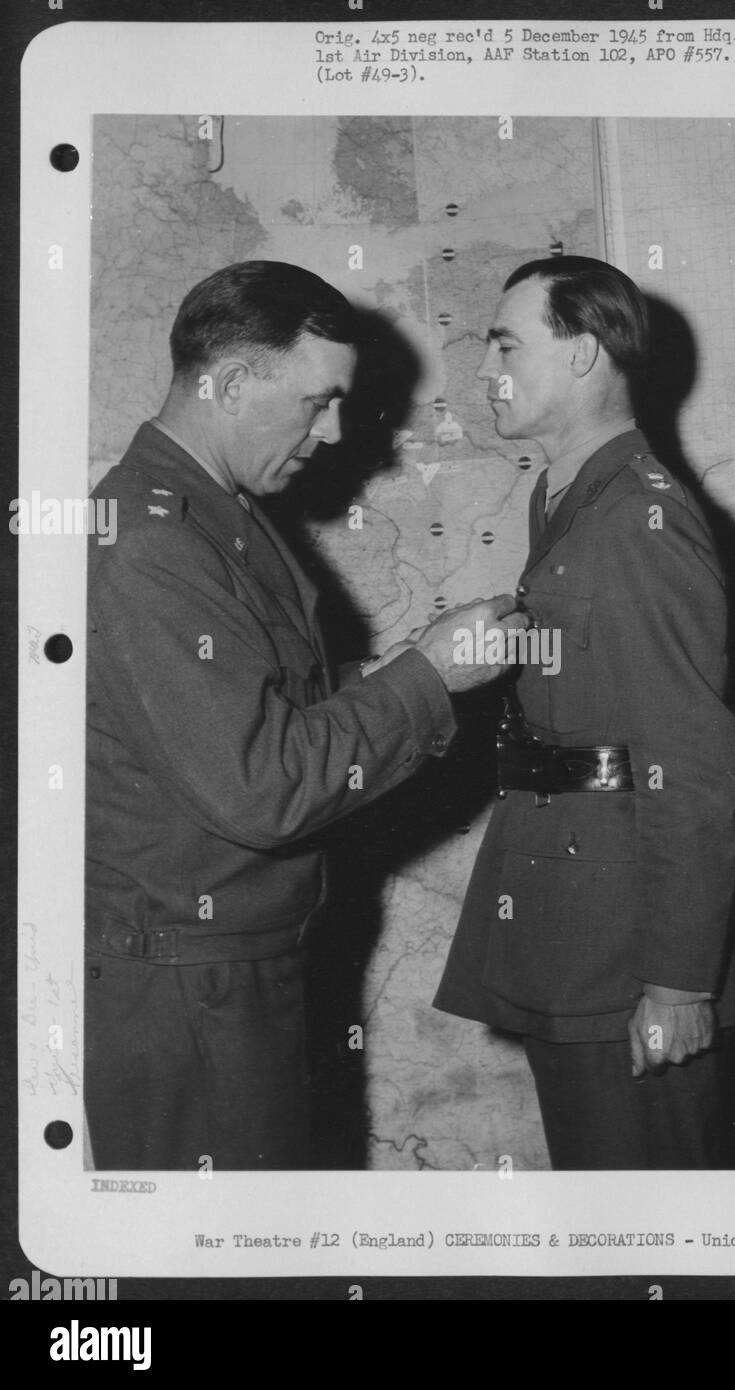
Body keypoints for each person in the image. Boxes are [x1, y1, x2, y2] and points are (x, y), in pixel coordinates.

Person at [85, 260, 523, 1170]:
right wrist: (429, 680)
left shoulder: (215, 513)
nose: (331, 433)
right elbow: (262, 783)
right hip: (190, 983)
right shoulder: (153, 541)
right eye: (316, 402)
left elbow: (278, 703)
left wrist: (417, 667)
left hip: (232, 961)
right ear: (234, 382)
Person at [434, 256, 735, 1169]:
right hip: (576, 922)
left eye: (506, 344)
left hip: (627, 952)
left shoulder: (638, 522)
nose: (487, 369)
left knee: (644, 1220)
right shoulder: (569, 494)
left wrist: (679, 983)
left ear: (583, 355)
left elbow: (692, 763)